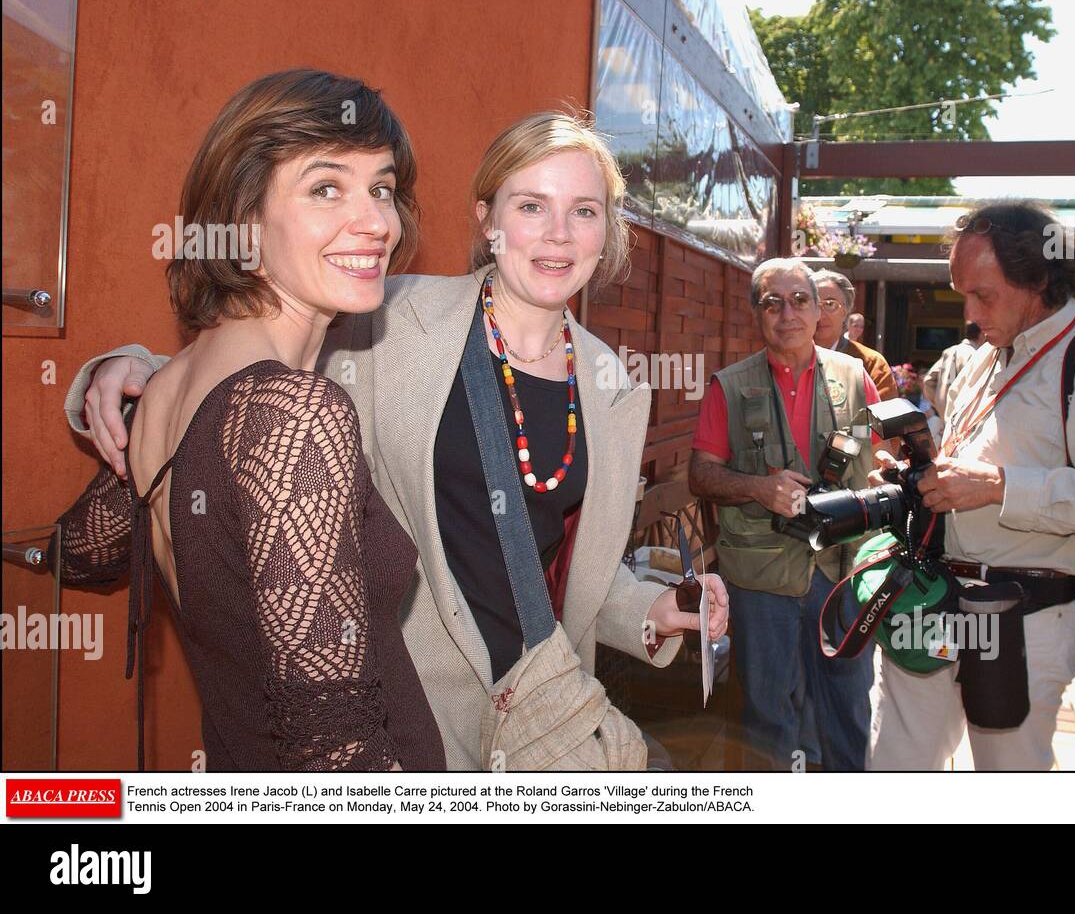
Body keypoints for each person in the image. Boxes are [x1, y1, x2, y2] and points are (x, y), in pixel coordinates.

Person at [66, 108, 729, 771]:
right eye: (532, 206)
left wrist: (656, 610)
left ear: (606, 230)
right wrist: (128, 369)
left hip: (537, 729)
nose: (559, 234)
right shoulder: (385, 317)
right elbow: (249, 375)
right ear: (487, 219)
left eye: (584, 211)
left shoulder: (612, 385)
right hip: (405, 723)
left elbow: (559, 558)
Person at [54, 69, 445, 771]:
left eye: (380, 188)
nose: (377, 222)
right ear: (243, 221)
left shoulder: (169, 395)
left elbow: (77, 554)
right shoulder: (291, 414)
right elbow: (336, 758)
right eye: (326, 187)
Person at [869, 201, 1075, 771]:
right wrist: (918, 481)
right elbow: (962, 455)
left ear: (1038, 279)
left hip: (1025, 620)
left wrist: (998, 486)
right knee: (894, 770)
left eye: (982, 294)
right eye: (961, 291)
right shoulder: (986, 354)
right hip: (933, 602)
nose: (968, 311)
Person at [688, 258, 881, 771]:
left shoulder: (856, 378)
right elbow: (700, 476)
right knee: (765, 717)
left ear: (820, 310)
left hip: (842, 573)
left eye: (799, 300)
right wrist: (758, 488)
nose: (787, 313)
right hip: (760, 579)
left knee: (847, 712)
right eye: (772, 303)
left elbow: (881, 460)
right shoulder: (728, 386)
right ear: (757, 314)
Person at [813, 269, 899, 400]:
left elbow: (884, 417)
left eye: (830, 304)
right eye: (813, 304)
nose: (821, 315)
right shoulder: (786, 357)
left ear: (846, 311)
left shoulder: (870, 363)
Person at [924, 321, 983, 437]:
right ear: (981, 334)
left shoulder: (950, 351)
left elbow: (928, 380)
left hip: (943, 415)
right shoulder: (976, 355)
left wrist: (937, 406)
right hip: (961, 418)